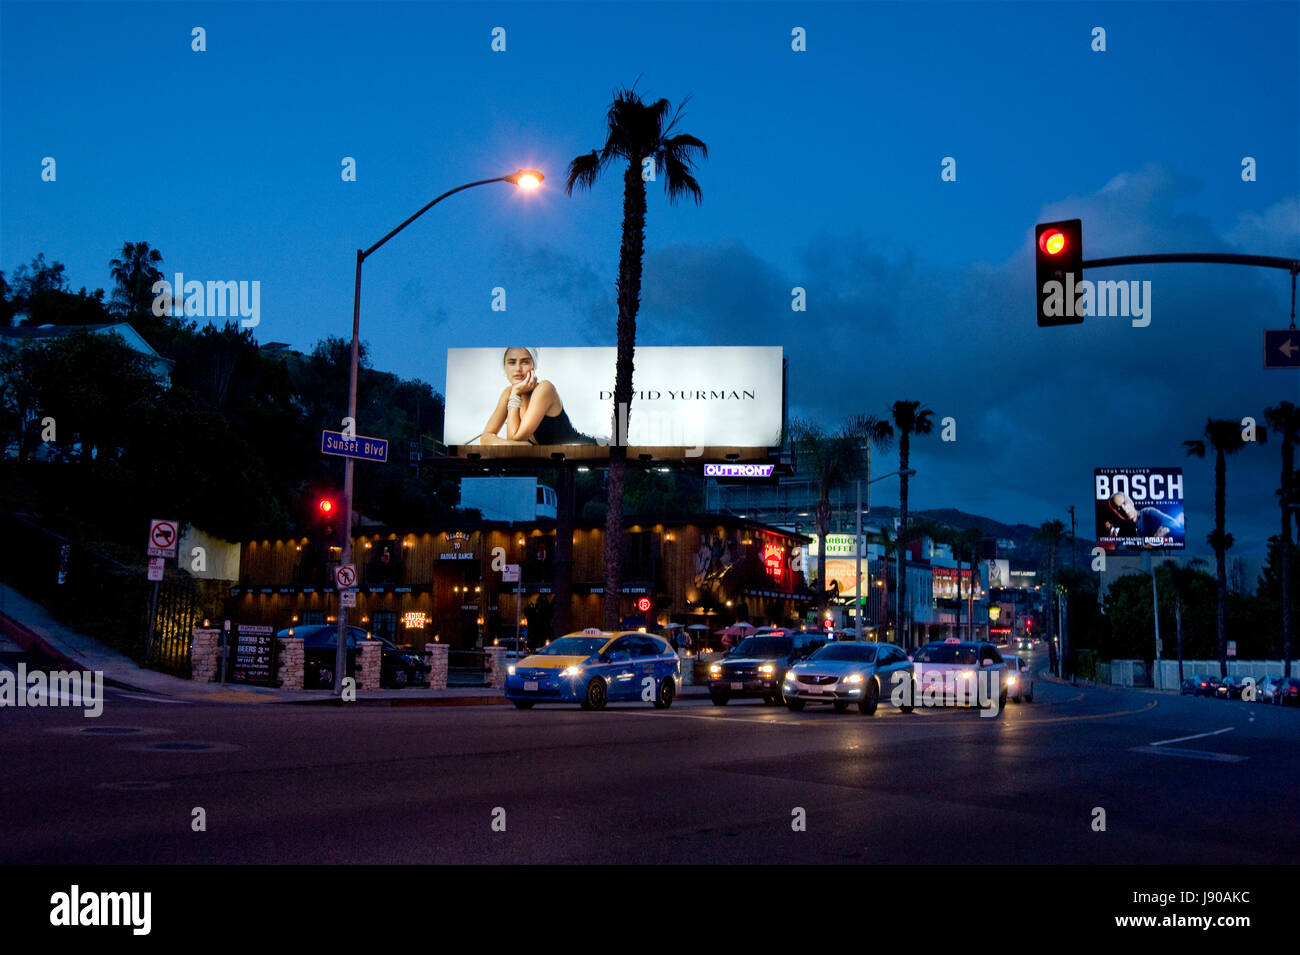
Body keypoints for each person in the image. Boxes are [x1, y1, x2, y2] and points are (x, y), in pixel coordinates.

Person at [477, 348, 597, 446]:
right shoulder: (508, 393)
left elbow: (514, 442)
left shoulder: (544, 388)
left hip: (585, 452)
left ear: (533, 365)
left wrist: (516, 393)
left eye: (525, 362)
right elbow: (485, 438)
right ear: (505, 367)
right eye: (512, 362)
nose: (518, 368)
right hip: (555, 462)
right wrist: (515, 393)